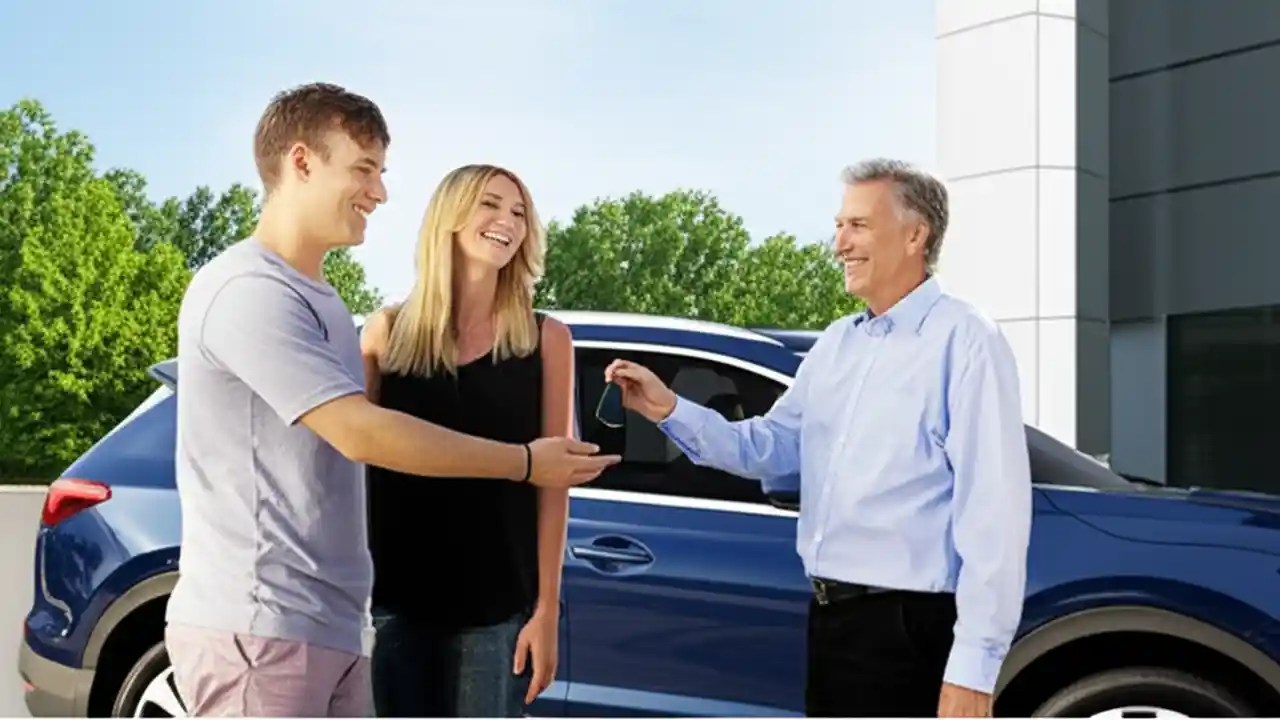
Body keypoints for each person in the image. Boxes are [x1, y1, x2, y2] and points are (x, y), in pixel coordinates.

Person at [164, 84, 619, 718]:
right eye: (364, 169)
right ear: (302, 162)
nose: (378, 191)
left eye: (521, 213)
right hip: (320, 616)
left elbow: (341, 462)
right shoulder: (273, 299)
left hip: (380, 618)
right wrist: (522, 461)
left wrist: (546, 608)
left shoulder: (320, 299)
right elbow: (361, 434)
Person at [605, 158, 1032, 718]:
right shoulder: (837, 344)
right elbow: (769, 447)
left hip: (913, 627)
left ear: (914, 235)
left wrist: (973, 669)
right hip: (833, 620)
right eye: (838, 226)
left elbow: (993, 514)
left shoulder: (966, 340)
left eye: (857, 225)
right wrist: (668, 408)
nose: (839, 244)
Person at [359, 163, 569, 717]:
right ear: (449, 218)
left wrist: (546, 610)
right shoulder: (385, 335)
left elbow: (553, 485)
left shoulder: (547, 340)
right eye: (491, 205)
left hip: (498, 609)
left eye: (520, 213)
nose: (508, 221)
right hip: (393, 604)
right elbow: (350, 465)